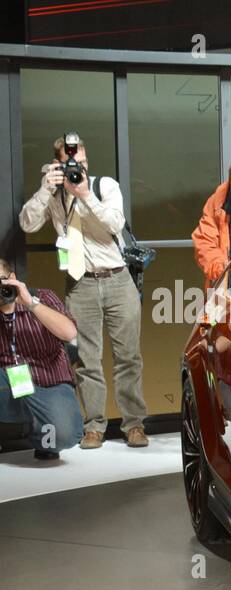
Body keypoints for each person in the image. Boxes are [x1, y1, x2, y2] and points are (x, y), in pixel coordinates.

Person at [18, 131, 149, 449]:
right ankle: (94, 427)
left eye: (83, 163)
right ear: (57, 165)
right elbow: (27, 223)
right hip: (81, 283)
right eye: (71, 164)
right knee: (87, 360)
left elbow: (115, 224)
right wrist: (44, 189)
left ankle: (134, 425)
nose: (79, 169)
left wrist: (86, 194)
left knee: (128, 358)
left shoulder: (105, 186)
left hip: (118, 280)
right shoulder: (52, 195)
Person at [0, 258, 84, 460]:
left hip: (48, 381)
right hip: (7, 381)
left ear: (12, 278)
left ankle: (43, 440)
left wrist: (30, 303)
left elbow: (69, 333)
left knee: (64, 435)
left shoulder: (43, 296)